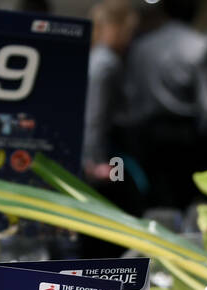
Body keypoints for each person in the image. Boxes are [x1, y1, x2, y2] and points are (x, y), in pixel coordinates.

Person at [117, 0, 207, 210]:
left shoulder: (143, 46)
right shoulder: (198, 44)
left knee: (151, 200)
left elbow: (130, 96)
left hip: (145, 135)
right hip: (184, 136)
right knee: (184, 202)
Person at [83, 0, 137, 182]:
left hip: (99, 151)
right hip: (106, 154)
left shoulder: (95, 57)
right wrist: (94, 160)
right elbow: (95, 115)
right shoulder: (106, 63)